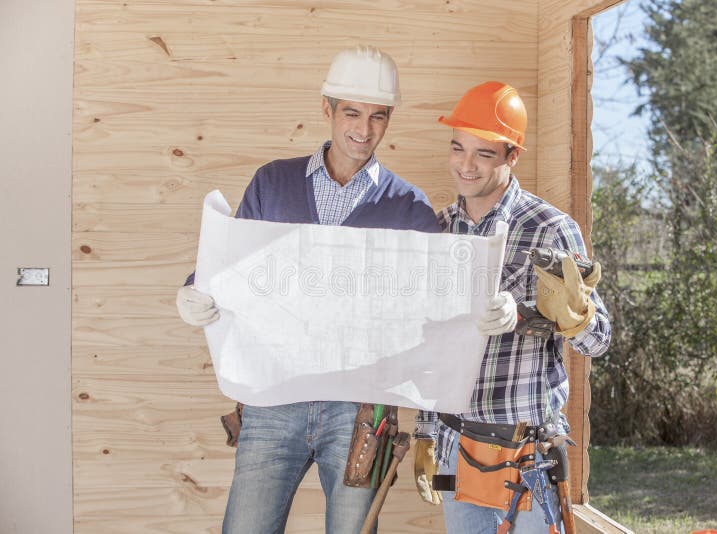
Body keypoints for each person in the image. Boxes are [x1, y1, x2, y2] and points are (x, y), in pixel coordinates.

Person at [175, 45, 441, 534]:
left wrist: (483, 309)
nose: (364, 130)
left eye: (378, 116)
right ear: (327, 109)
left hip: (363, 410)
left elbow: (439, 300)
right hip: (273, 398)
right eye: (352, 113)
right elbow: (230, 266)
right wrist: (196, 292)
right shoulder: (273, 183)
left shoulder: (410, 208)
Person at [413, 81, 612, 533]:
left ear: (512, 156)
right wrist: (424, 430)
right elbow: (430, 345)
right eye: (458, 148)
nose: (466, 165)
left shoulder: (551, 230)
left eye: (483, 153)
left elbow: (599, 340)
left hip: (529, 454)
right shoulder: (438, 231)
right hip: (456, 445)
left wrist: (567, 315)